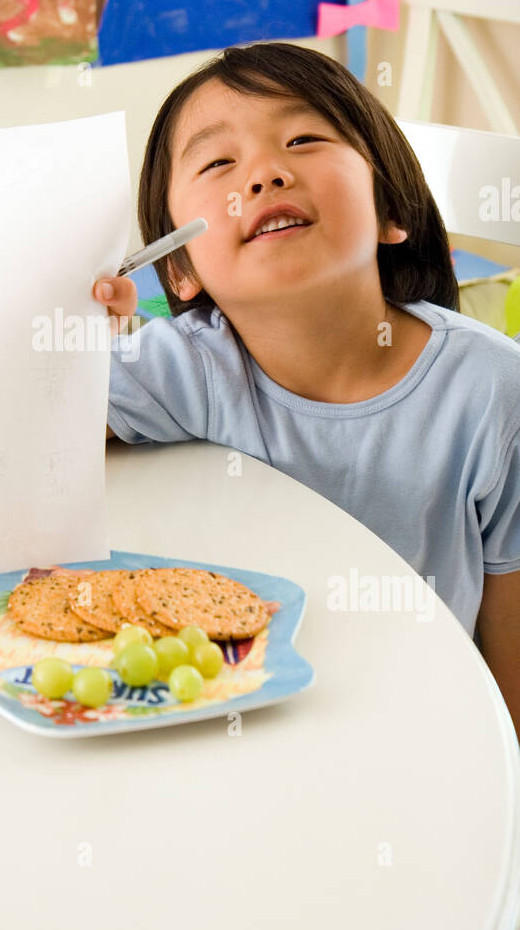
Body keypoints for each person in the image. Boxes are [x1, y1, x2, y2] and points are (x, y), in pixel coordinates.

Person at [93, 42, 520, 739]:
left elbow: (509, 653)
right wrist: (71, 345)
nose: (263, 173)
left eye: (302, 139)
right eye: (217, 163)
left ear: (389, 213)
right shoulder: (181, 367)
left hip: (422, 734)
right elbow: (25, 444)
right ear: (178, 272)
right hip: (239, 730)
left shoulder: (492, 393)